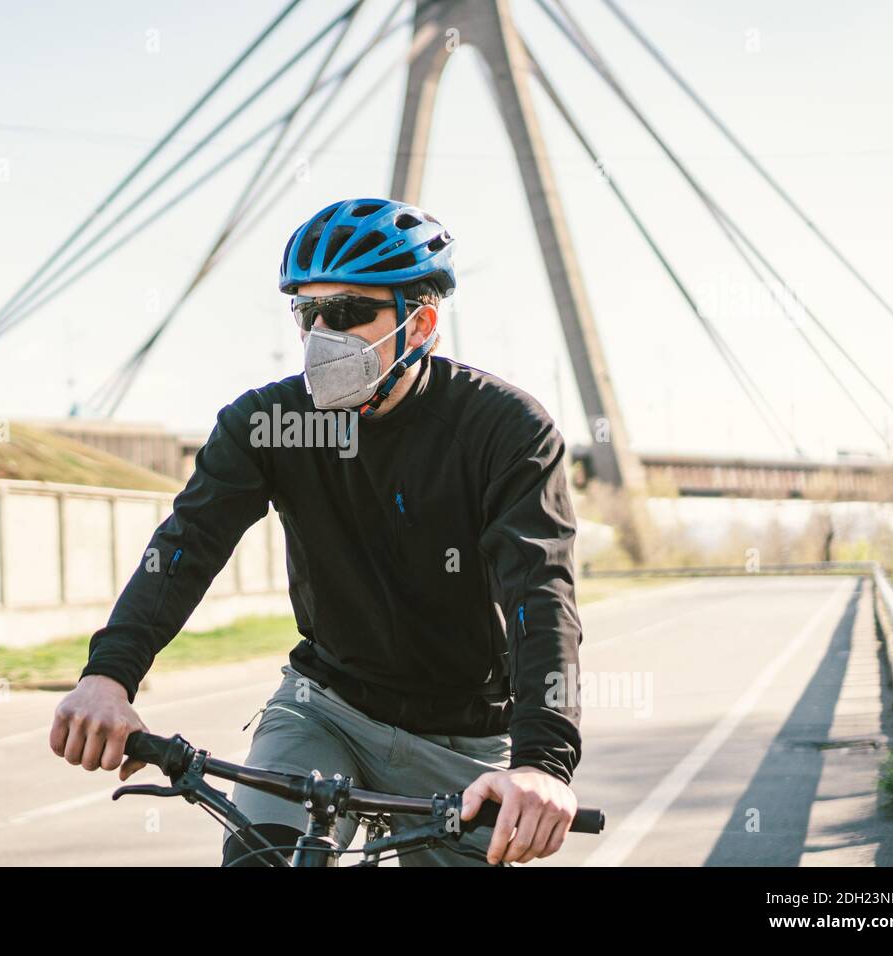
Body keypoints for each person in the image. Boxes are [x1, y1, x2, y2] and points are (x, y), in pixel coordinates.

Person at [49, 197, 583, 866]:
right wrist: (108, 677)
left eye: (352, 312)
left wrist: (543, 763)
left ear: (420, 324)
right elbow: (185, 549)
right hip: (326, 710)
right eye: (309, 312)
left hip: (465, 743)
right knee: (262, 861)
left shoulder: (504, 429)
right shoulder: (264, 423)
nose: (323, 331)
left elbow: (541, 593)